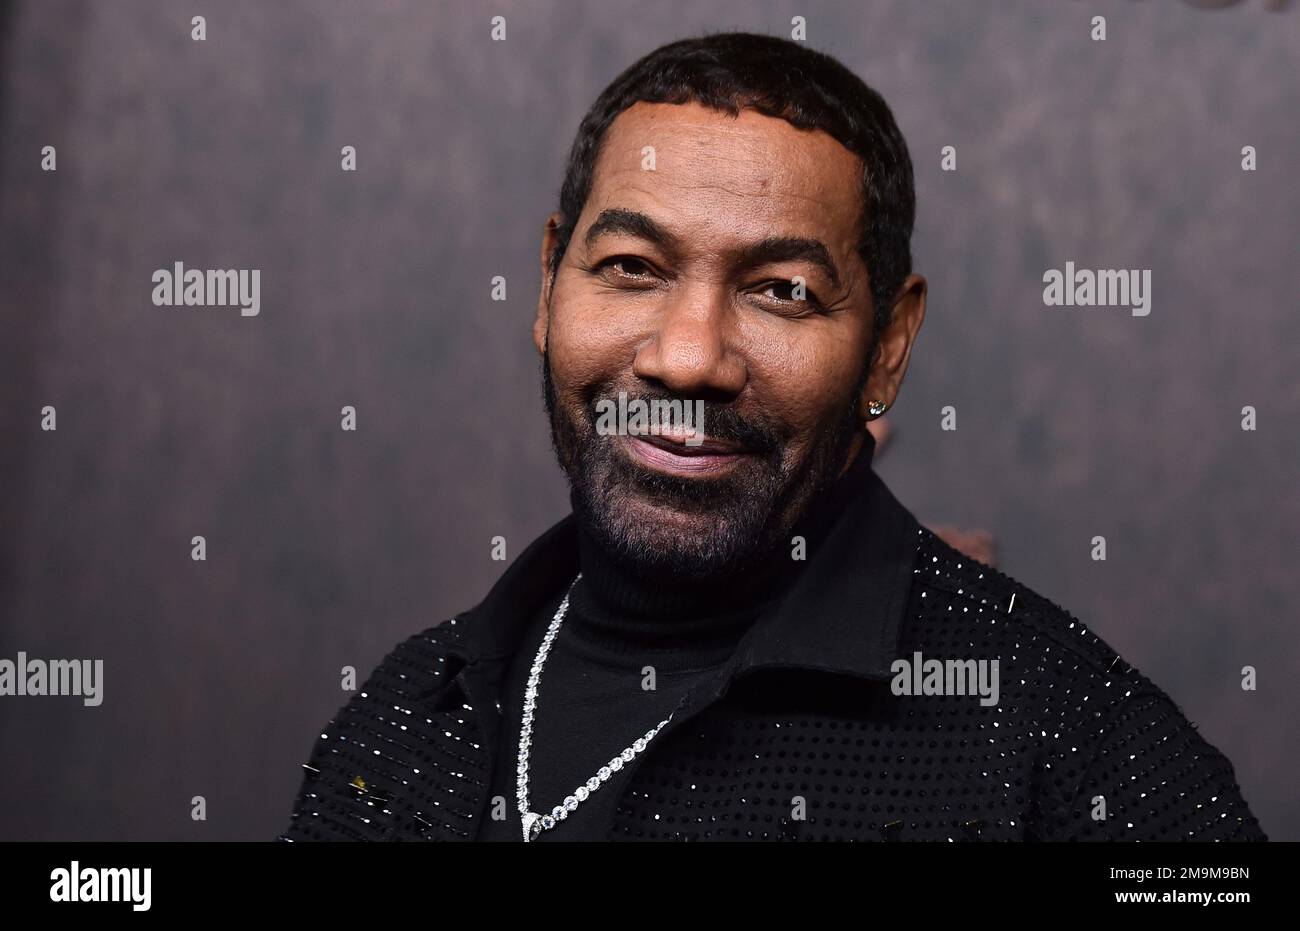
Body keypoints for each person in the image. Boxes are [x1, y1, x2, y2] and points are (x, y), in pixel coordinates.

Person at [280, 32, 1265, 842]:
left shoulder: (1068, 738)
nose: (689, 357)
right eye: (631, 266)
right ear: (547, 284)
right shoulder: (415, 706)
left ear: (887, 346)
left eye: (781, 291)